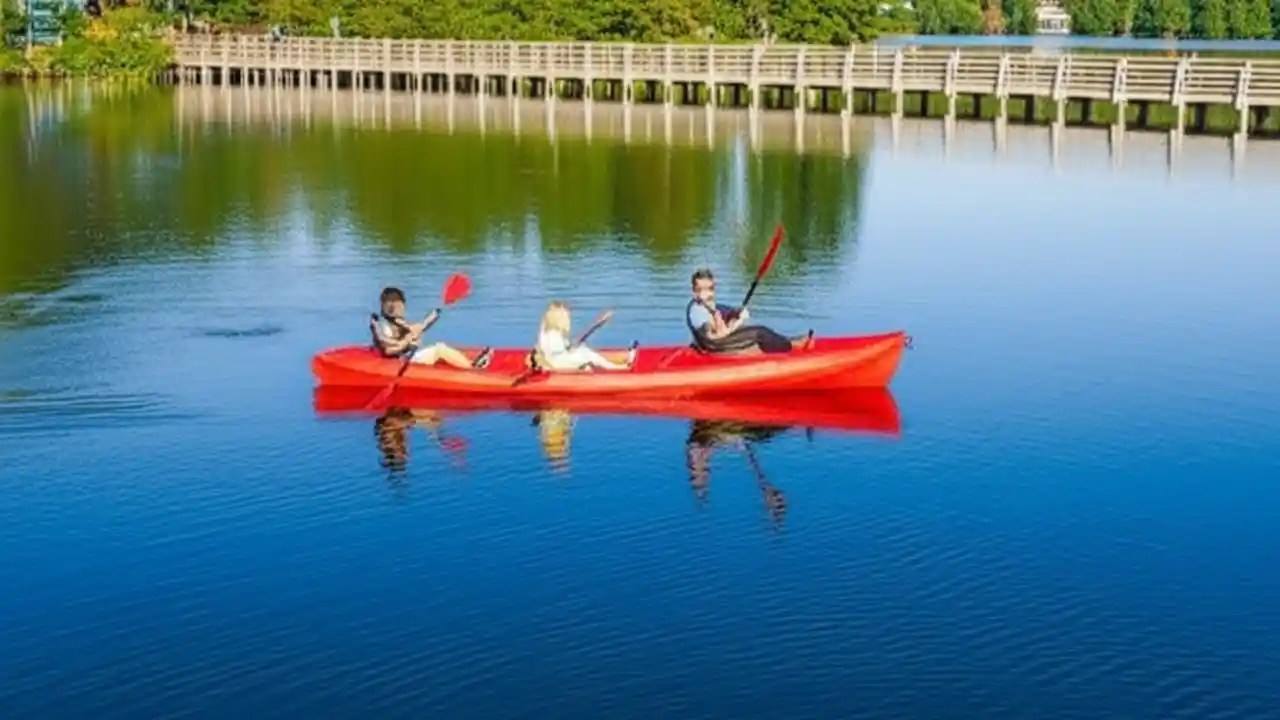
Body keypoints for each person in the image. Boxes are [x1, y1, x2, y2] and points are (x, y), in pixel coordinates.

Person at [685, 268, 812, 354]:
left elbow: (726, 312)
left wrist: (736, 313)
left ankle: (787, 341)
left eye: (710, 289)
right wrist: (738, 323)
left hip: (717, 343)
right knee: (760, 332)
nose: (706, 294)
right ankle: (792, 348)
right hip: (714, 347)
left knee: (756, 330)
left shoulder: (710, 305)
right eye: (700, 290)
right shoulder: (698, 312)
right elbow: (714, 337)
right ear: (694, 291)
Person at [370, 287, 492, 369]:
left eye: (397, 302)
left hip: (407, 356)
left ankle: (469, 360)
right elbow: (388, 350)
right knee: (439, 349)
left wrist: (432, 317)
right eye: (391, 302)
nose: (396, 306)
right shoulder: (381, 324)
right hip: (400, 363)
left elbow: (417, 329)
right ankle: (472, 369)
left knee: (441, 345)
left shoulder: (397, 321)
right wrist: (407, 342)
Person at [534, 301, 637, 371]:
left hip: (559, 360)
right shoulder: (552, 334)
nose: (568, 318)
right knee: (587, 354)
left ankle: (615, 366)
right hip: (558, 363)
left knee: (584, 351)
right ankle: (618, 368)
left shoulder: (548, 331)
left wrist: (598, 324)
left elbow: (569, 347)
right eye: (566, 315)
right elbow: (559, 353)